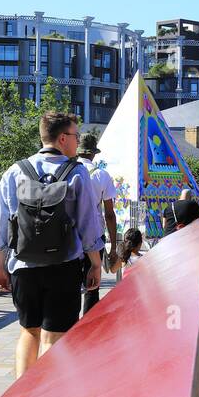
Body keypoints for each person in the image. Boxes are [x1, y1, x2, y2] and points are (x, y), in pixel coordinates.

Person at [0, 111, 103, 379]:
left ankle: (21, 396)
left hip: (24, 265)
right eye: (75, 136)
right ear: (62, 138)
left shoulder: (15, 171)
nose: (77, 142)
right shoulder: (76, 173)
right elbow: (87, 222)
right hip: (63, 266)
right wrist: (96, 263)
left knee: (29, 331)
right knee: (55, 336)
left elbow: (1, 221)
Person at [77, 133, 118, 314]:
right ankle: (88, 324)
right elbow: (109, 214)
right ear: (94, 154)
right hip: (95, 233)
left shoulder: (68, 170)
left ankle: (68, 326)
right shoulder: (102, 175)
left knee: (70, 280)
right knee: (92, 282)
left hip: (71, 232)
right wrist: (114, 246)